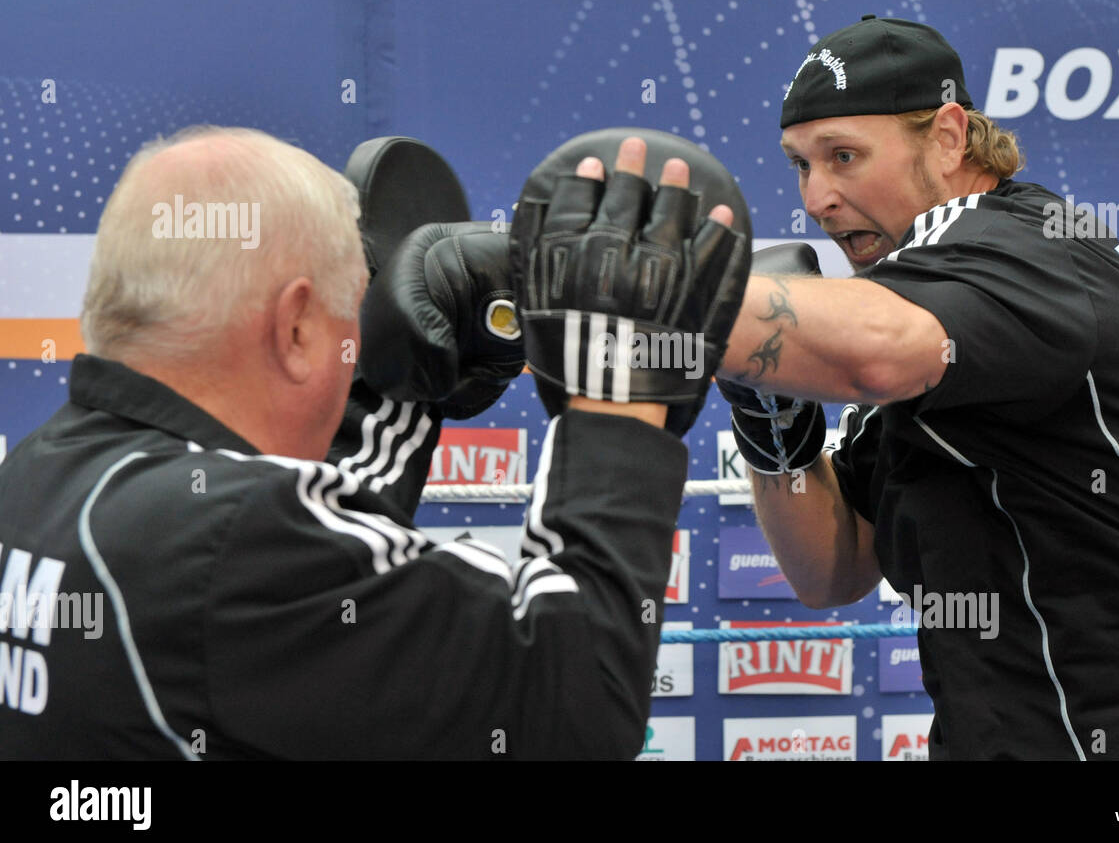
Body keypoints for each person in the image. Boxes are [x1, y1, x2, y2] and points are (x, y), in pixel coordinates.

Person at [0, 125, 742, 759]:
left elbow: (297, 640)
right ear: (295, 328)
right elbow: (577, 699)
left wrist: (398, 386)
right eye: (349, 317)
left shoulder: (37, 480)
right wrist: (618, 399)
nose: (357, 342)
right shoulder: (234, 541)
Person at [715, 15, 1119, 761]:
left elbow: (877, 355)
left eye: (844, 156)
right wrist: (768, 413)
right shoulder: (936, 298)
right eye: (801, 166)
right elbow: (833, 567)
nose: (817, 198)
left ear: (947, 137)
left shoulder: (1023, 250)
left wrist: (672, 298)